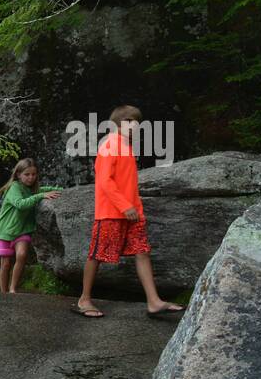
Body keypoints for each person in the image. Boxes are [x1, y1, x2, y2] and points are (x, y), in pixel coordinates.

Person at [73, 105, 184, 319]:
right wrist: (125, 206)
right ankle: (84, 299)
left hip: (132, 213)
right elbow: (104, 181)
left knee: (142, 251)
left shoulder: (126, 146)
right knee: (97, 254)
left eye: (137, 123)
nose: (134, 126)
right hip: (111, 212)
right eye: (129, 122)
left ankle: (153, 301)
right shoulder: (109, 145)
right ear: (116, 124)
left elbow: (128, 183)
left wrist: (136, 208)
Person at [0, 158, 60, 293]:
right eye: (27, 174)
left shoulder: (33, 189)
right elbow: (20, 204)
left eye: (34, 174)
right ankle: (3, 292)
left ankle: (13, 289)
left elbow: (46, 189)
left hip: (23, 230)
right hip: (6, 231)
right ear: (18, 174)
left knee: (22, 254)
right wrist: (40, 196)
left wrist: (61, 191)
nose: (31, 178)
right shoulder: (14, 187)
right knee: (5, 264)